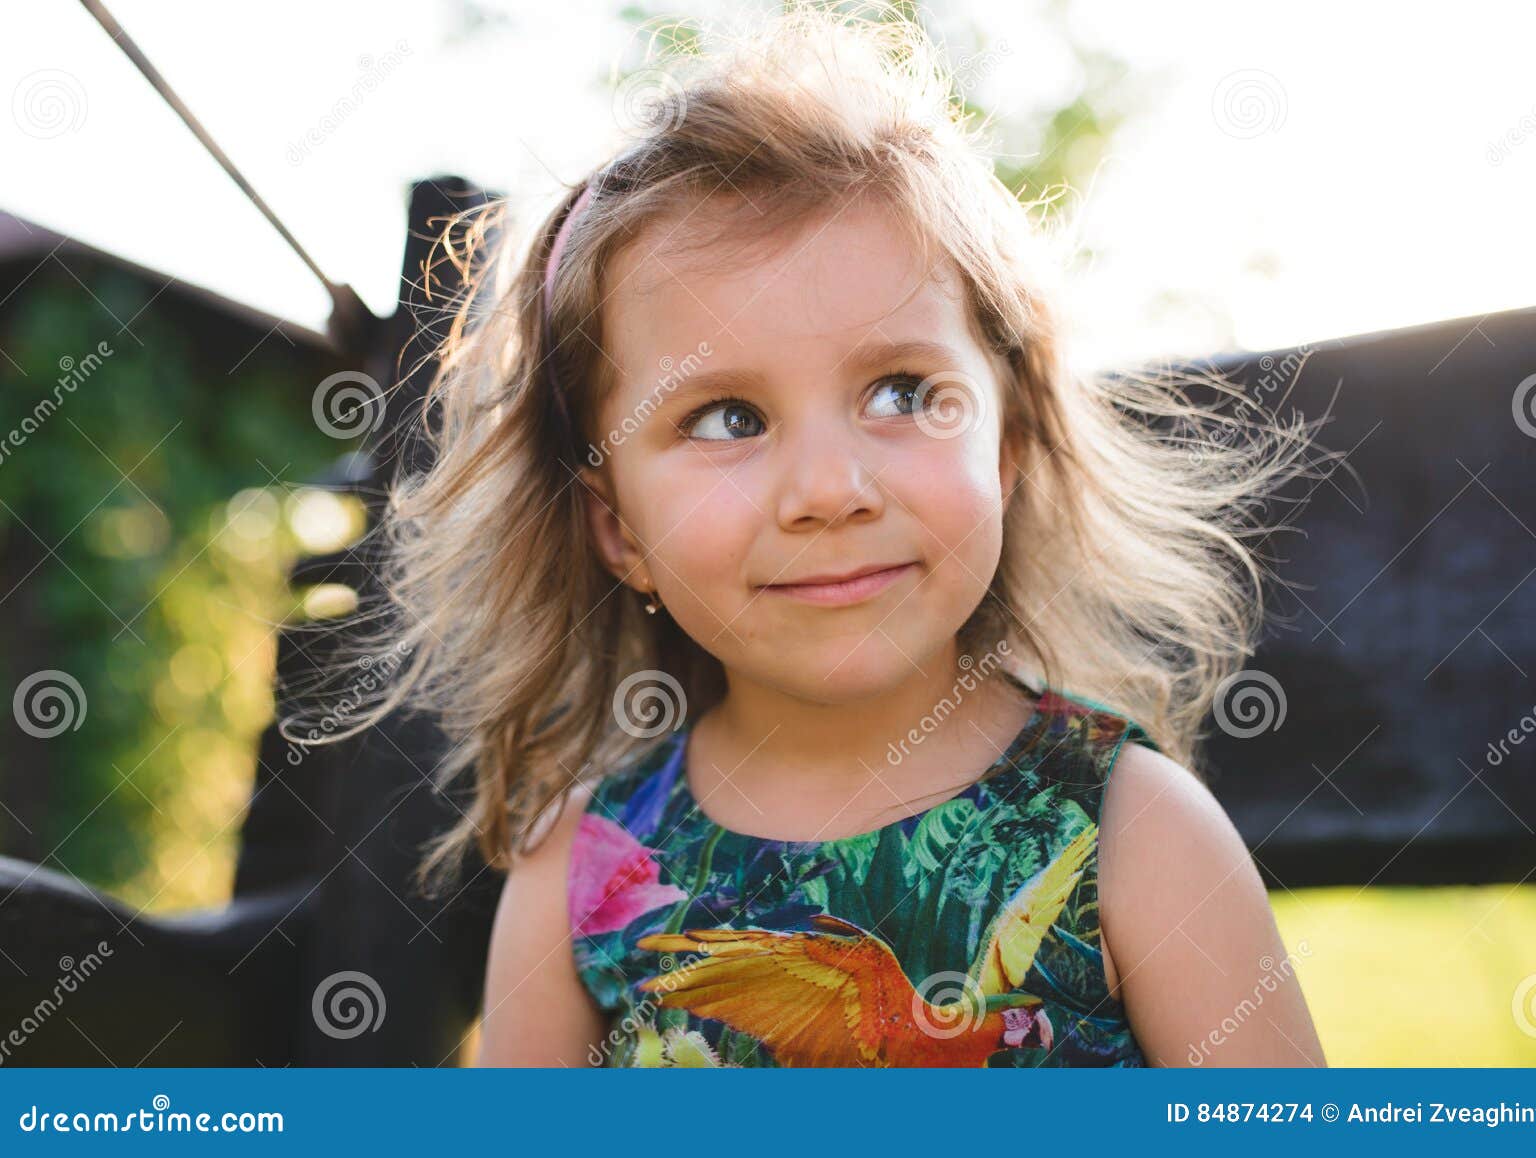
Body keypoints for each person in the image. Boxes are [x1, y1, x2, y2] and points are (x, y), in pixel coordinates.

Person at [347, 3, 1327, 1067]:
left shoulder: (1130, 837)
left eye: (902, 392)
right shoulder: (579, 878)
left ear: (1003, 449)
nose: (828, 488)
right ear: (616, 527)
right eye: (726, 418)